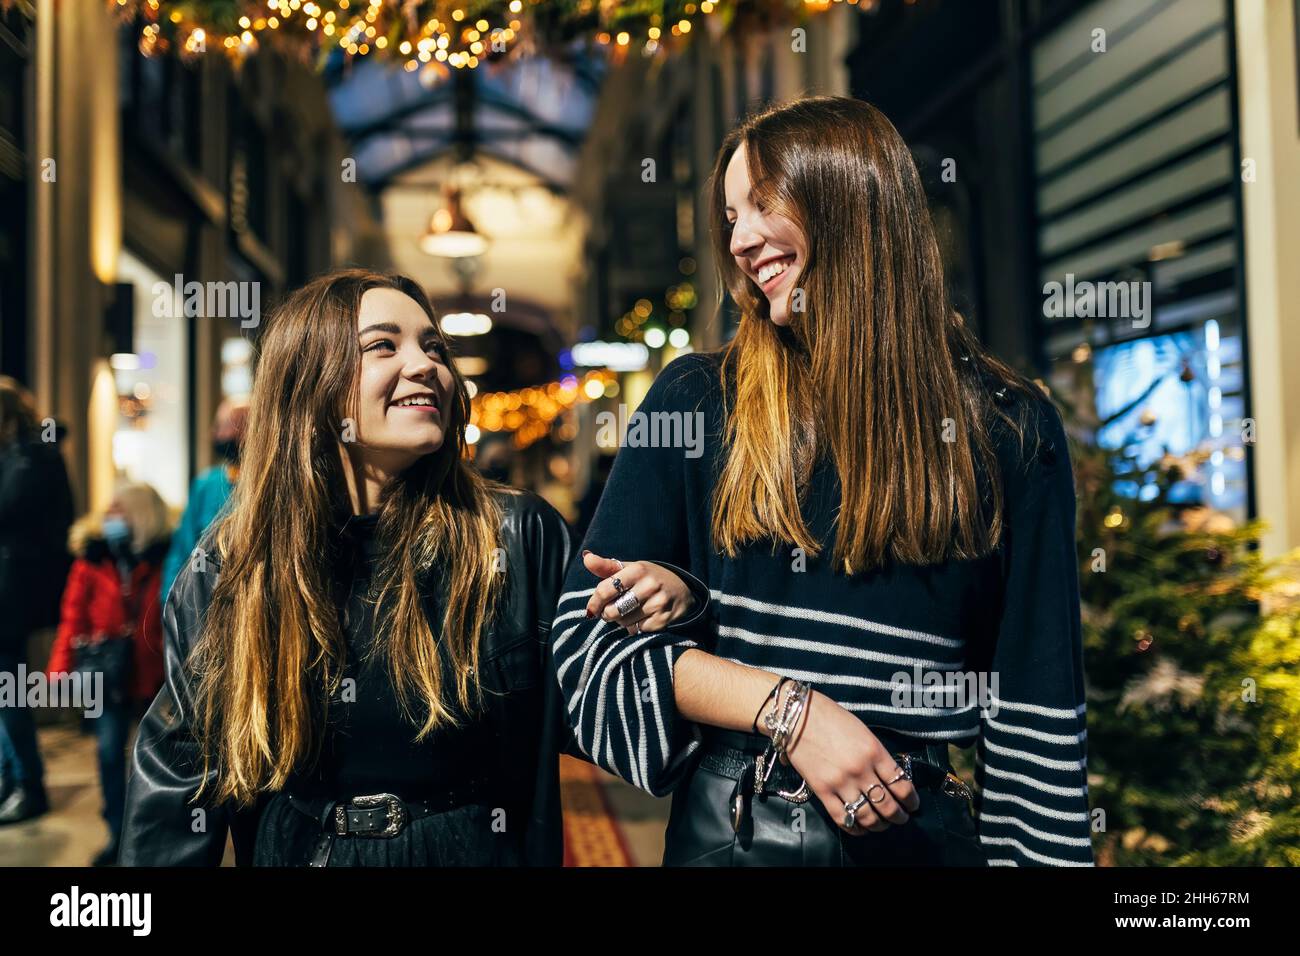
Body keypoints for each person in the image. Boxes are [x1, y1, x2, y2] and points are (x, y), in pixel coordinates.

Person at [550, 95, 1094, 867]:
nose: (738, 239)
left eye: (761, 204)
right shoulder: (698, 402)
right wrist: (790, 711)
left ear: (850, 199)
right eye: (729, 216)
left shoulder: (1008, 427)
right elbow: (579, 654)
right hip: (735, 836)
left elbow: (1036, 716)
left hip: (919, 840)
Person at [119, 270, 702, 866]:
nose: (426, 365)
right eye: (382, 346)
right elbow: (178, 776)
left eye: (432, 347)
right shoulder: (235, 564)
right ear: (309, 383)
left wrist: (677, 605)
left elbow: (612, 716)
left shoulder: (516, 536)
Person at [48, 484, 171, 864]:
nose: (110, 517)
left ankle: (153, 835)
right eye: (109, 509)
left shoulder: (166, 558)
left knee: (155, 758)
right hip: (105, 673)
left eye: (120, 509)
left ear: (142, 514)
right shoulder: (91, 559)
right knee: (107, 752)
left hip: (153, 673)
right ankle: (118, 834)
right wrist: (58, 672)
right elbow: (72, 619)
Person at [0, 376, 73, 826]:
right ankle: (12, 779)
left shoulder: (33, 457)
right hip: (12, 587)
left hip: (14, 593)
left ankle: (28, 782)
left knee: (9, 691)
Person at [160, 398, 248, 604]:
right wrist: (172, 603)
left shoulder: (272, 485)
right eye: (223, 426)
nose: (215, 434)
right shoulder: (206, 485)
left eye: (222, 427)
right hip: (205, 605)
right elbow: (182, 552)